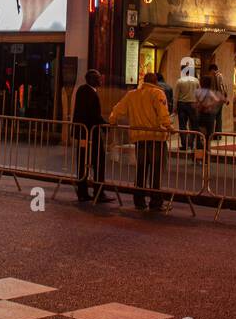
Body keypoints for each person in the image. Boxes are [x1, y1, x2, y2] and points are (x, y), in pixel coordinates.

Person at [109, 72, 173, 212]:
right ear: (155, 82)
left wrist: (112, 120)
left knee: (141, 170)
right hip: (156, 138)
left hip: (139, 138)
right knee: (156, 171)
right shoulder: (158, 93)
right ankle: (156, 202)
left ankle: (139, 200)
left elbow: (118, 109)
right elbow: (163, 114)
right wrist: (169, 126)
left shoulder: (132, 94)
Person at [72, 68, 109, 202]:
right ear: (93, 80)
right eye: (98, 78)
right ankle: (99, 191)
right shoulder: (91, 93)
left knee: (82, 161)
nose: (101, 80)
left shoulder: (82, 90)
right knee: (99, 160)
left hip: (82, 133)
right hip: (91, 133)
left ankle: (82, 191)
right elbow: (94, 115)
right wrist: (106, 125)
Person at [173, 62, 200, 150]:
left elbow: (176, 96)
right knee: (193, 125)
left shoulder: (180, 81)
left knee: (182, 125)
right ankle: (191, 143)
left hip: (182, 105)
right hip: (193, 104)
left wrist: (174, 107)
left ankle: (184, 144)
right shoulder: (196, 81)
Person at [193, 76, 223, 143]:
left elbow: (195, 103)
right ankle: (207, 148)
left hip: (200, 114)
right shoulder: (211, 92)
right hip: (209, 115)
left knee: (199, 131)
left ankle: (199, 146)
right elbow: (217, 100)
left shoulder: (197, 91)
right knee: (209, 133)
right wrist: (210, 106)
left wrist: (198, 106)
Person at [206, 61, 229, 137]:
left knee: (212, 117)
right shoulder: (220, 75)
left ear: (212, 70)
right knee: (218, 117)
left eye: (210, 72)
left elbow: (221, 88)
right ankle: (218, 134)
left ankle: (212, 134)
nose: (210, 73)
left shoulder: (217, 76)